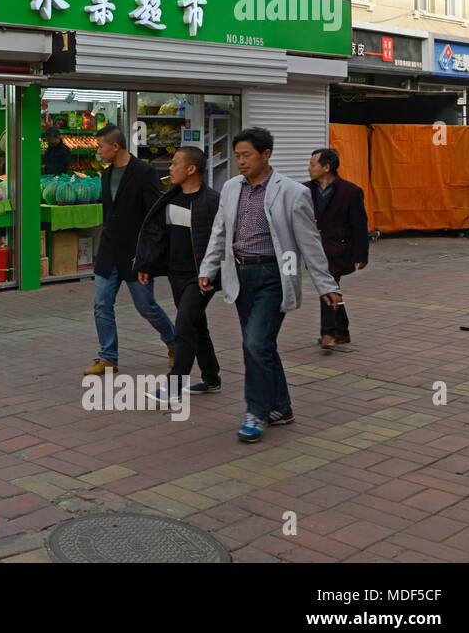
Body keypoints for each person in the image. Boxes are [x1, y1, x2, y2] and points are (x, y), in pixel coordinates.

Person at [198, 127, 341, 443]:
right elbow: (220, 232)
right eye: (237, 155)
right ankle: (282, 408)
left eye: (246, 155)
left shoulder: (292, 192)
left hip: (274, 276)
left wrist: (326, 284)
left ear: (266, 154)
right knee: (262, 345)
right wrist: (208, 268)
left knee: (254, 344)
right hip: (241, 276)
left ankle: (257, 411)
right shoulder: (232, 188)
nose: (241, 161)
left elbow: (310, 242)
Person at [84, 124, 175, 376]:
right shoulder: (105, 174)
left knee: (146, 306)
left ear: (115, 146)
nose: (98, 152)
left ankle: (174, 342)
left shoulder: (144, 172)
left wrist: (150, 252)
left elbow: (155, 215)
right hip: (108, 251)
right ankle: (108, 357)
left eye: (101, 146)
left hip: (136, 253)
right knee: (101, 304)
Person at [134, 146, 222, 402]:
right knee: (198, 326)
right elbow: (157, 236)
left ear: (191, 169)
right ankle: (211, 377)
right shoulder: (170, 199)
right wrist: (145, 265)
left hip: (202, 277)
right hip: (177, 275)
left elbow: (221, 241)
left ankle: (175, 385)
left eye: (174, 163)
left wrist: (214, 272)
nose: (170, 168)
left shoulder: (211, 201)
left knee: (183, 327)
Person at [306, 147, 369, 349]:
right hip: (315, 251)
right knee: (332, 289)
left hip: (337, 251)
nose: (309, 168)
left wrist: (361, 255)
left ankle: (328, 333)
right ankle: (342, 330)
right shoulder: (304, 190)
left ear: (327, 167)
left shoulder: (350, 192)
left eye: (313, 164)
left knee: (327, 287)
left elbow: (359, 225)